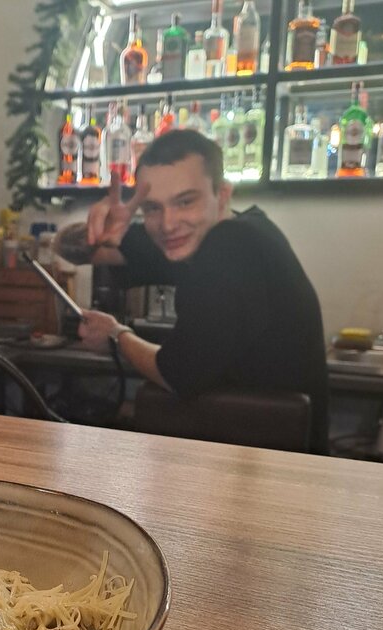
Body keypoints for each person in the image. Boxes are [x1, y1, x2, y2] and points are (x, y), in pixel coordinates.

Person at [55, 129, 329, 454]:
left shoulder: (230, 248)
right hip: (253, 454)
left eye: (185, 201)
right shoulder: (213, 233)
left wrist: (116, 334)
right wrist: (98, 233)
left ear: (222, 195)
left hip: (275, 466)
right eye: (152, 208)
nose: (168, 223)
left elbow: (175, 375)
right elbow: (72, 250)